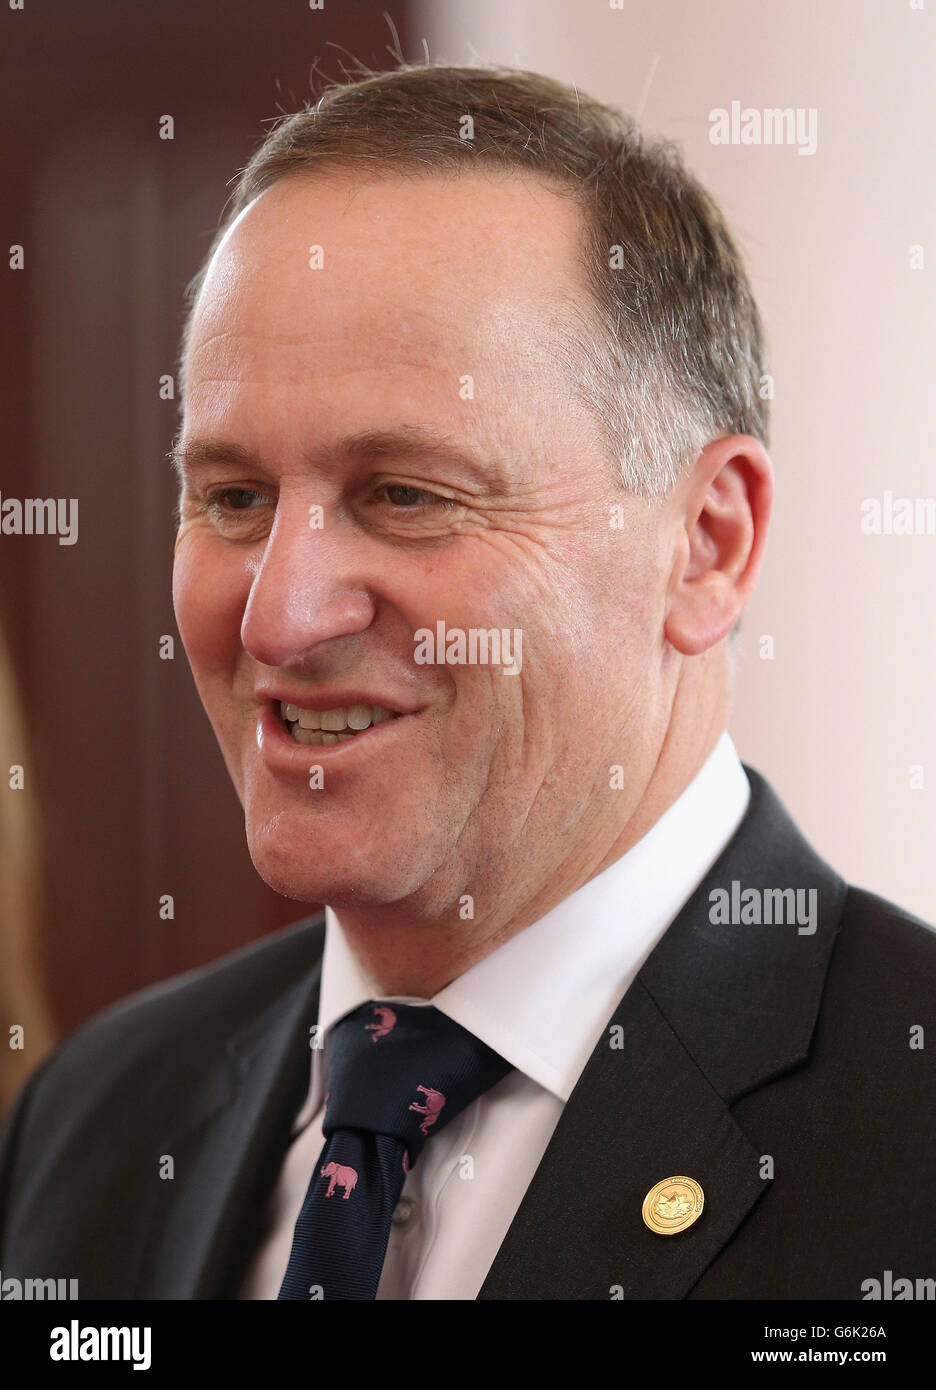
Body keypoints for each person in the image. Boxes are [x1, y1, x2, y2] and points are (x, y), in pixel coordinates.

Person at [1, 62, 933, 1302]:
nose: (278, 613)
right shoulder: (97, 1115)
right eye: (233, 498)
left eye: (405, 496)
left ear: (708, 542)